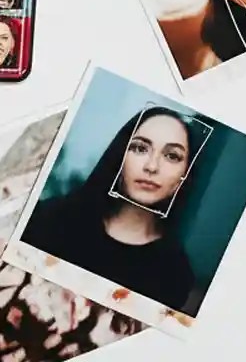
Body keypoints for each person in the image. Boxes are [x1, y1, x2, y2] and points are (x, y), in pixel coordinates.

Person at [20, 106, 206, 311]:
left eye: (172, 156)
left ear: (185, 175)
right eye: (140, 149)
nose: (152, 166)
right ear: (120, 156)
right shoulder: (50, 219)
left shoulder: (174, 274)